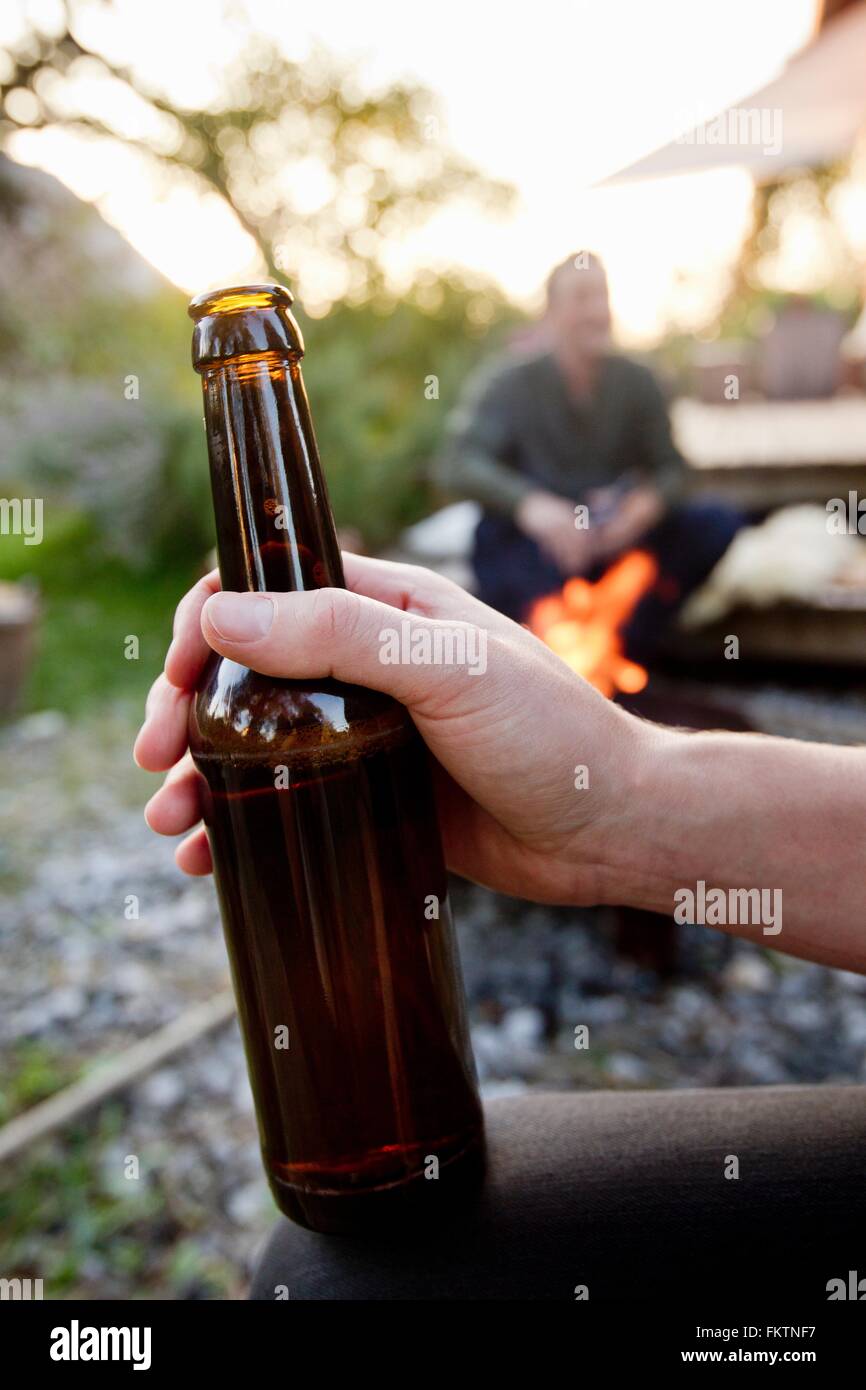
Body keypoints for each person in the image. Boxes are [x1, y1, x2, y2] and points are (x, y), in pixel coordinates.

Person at [135, 559, 865, 1300]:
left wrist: (615, 795)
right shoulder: (242, 696)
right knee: (325, 1269)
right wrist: (616, 806)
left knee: (334, 1282)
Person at [433, 252, 742, 661]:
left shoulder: (639, 381)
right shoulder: (509, 383)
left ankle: (621, 648)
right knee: (492, 540)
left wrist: (641, 510)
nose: (598, 311)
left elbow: (674, 469)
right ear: (551, 313)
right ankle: (554, 654)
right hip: (543, 551)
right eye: (582, 298)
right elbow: (457, 463)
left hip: (615, 542)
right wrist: (531, 506)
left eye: (603, 297)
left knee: (714, 521)